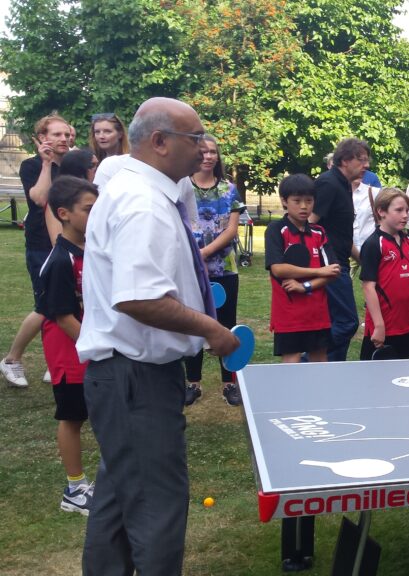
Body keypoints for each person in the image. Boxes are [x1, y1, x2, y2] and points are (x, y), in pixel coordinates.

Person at [77, 97, 239, 573]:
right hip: (136, 379)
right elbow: (137, 297)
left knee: (117, 498)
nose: (204, 148)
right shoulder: (142, 203)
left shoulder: (146, 192)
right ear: (160, 141)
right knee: (158, 507)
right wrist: (213, 330)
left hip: (126, 376)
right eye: (195, 138)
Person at [36, 176, 98, 516]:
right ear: (64, 214)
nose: (96, 214)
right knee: (72, 417)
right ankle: (74, 488)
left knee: (96, 411)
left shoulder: (89, 250)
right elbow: (62, 317)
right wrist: (94, 345)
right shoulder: (60, 260)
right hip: (69, 351)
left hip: (89, 346)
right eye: (89, 209)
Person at [1, 114, 72, 388]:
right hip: (42, 244)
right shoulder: (32, 166)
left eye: (66, 134)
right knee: (45, 305)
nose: (63, 139)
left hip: (68, 241)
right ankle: (11, 360)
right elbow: (41, 199)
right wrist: (46, 163)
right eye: (56, 135)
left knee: (67, 302)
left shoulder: (72, 166)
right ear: (42, 139)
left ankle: (55, 363)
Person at [181, 135, 245, 406]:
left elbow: (232, 229)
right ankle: (192, 383)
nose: (208, 156)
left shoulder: (229, 190)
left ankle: (229, 383)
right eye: (203, 151)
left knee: (226, 324)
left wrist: (204, 253)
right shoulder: (182, 187)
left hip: (224, 268)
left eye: (213, 152)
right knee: (191, 323)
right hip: (188, 268)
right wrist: (193, 257)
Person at [266, 174, 341, 364]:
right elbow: (279, 269)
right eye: (297, 201)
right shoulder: (276, 230)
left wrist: (305, 286)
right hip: (288, 314)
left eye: (309, 201)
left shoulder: (319, 232)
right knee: (291, 361)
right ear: (284, 201)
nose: (303, 206)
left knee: (319, 361)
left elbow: (332, 271)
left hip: (317, 313)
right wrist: (318, 271)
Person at [310, 138, 370, 361]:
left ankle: (332, 372)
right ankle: (311, 362)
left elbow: (341, 235)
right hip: (330, 266)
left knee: (337, 321)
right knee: (347, 322)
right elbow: (310, 225)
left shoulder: (343, 185)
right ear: (345, 160)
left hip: (338, 261)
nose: (366, 165)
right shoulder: (328, 183)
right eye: (361, 160)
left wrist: (365, 260)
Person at [360, 188, 409, 360]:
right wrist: (378, 325)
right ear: (381, 211)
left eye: (407, 210)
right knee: (376, 379)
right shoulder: (373, 244)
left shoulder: (408, 241)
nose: (405, 215)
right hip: (384, 325)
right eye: (399, 210)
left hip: (407, 323)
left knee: (406, 376)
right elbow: (368, 287)